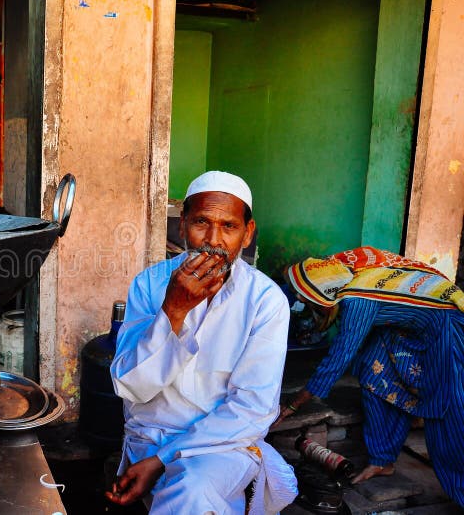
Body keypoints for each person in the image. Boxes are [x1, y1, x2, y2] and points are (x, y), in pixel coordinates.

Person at [108, 171, 297, 514]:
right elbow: (130, 386)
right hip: (150, 437)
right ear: (181, 226)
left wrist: (163, 461)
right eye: (201, 223)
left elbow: (252, 410)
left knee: (192, 489)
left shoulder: (265, 301)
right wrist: (173, 310)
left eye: (229, 226)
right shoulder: (149, 286)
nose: (213, 239)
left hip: (222, 446)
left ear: (247, 233)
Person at [278, 247, 464, 506]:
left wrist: (293, 404)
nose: (302, 301)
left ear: (323, 291)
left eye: (305, 298)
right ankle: (382, 459)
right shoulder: (345, 273)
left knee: (446, 411)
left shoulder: (358, 299)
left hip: (448, 327)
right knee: (373, 373)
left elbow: (340, 356)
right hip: (407, 328)